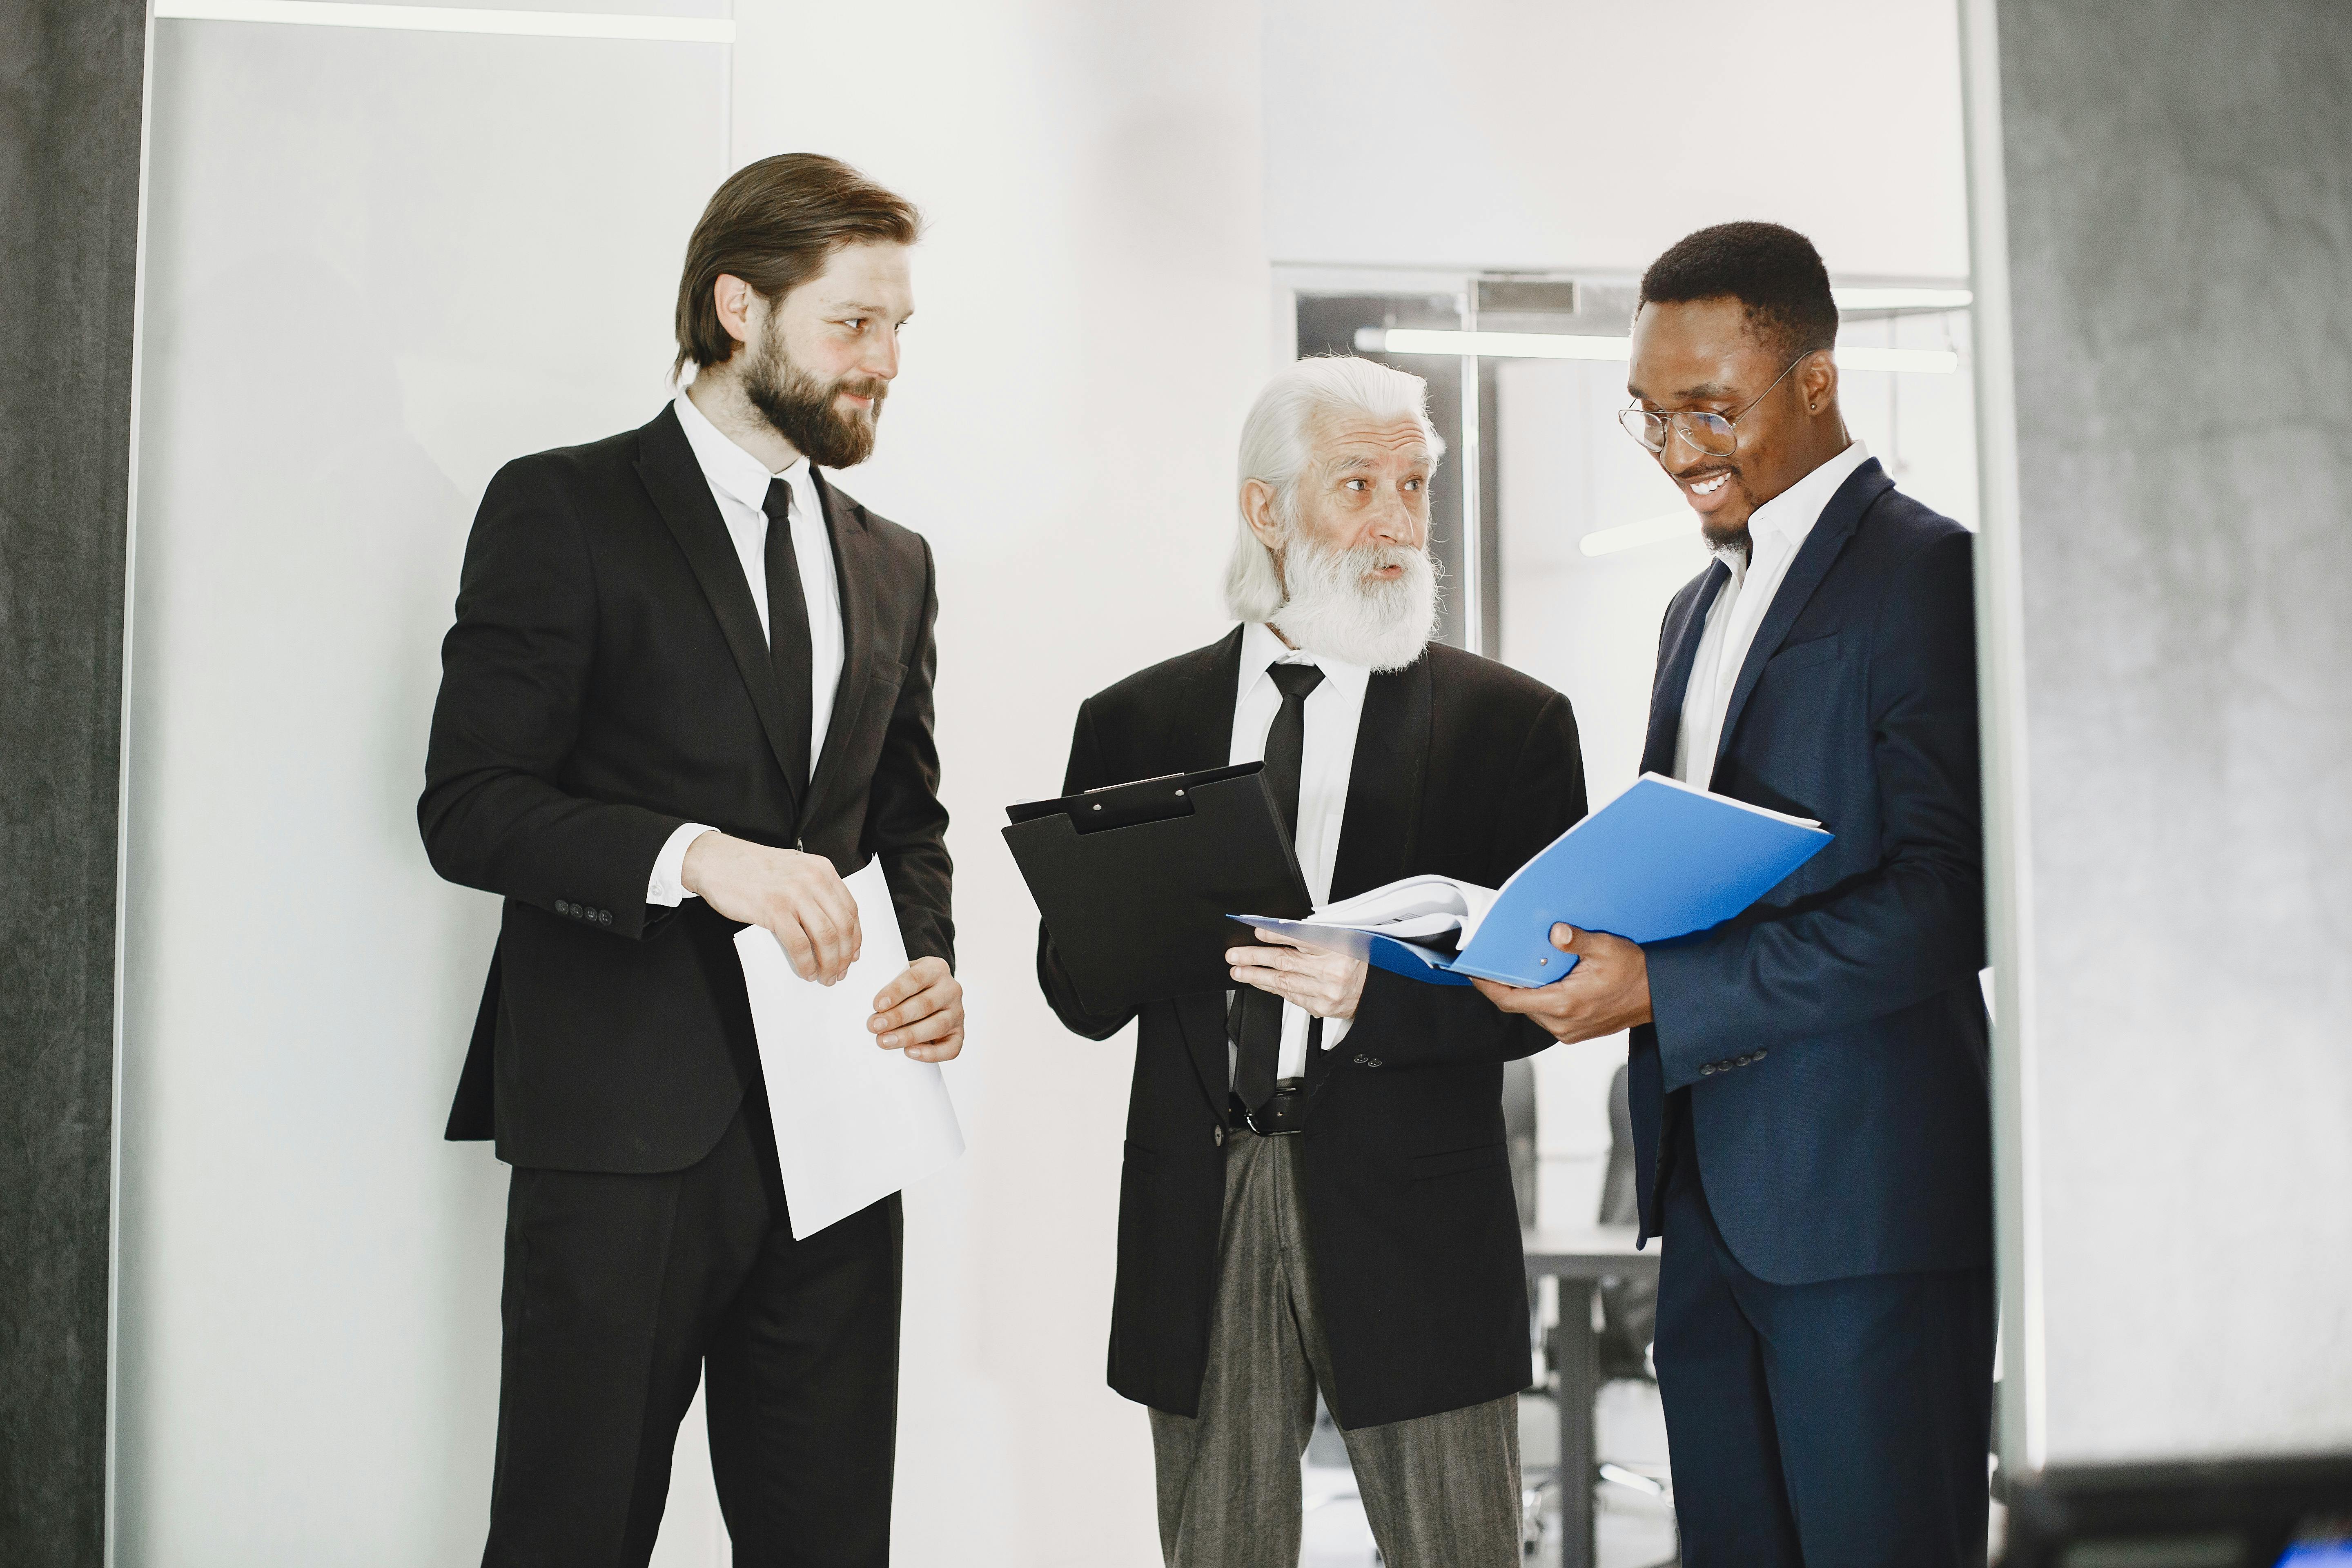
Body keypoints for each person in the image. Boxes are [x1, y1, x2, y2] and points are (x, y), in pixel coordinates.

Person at [418, 153, 960, 1567]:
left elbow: (906, 825)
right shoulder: (563, 508)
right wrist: (694, 855)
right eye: (854, 324)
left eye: (900, 327)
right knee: (572, 1535)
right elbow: (469, 804)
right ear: (738, 308)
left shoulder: (893, 559)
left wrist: (934, 966)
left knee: (830, 1543)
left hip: (842, 1136)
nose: (887, 361)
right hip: (618, 1135)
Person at [1472, 222, 1992, 1566]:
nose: (1682, 449)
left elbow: (1952, 898)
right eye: (1651, 416)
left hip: (1867, 1216)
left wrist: (1668, 988)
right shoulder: (1693, 612)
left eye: (1713, 407)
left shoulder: (1929, 574)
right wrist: (1571, 944)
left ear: (1816, 380)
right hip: (1704, 1202)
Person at [1036, 356, 1588, 1568]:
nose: (1397, 523)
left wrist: (1377, 995)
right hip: (1200, 1204)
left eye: (1414, 485)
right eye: (1358, 486)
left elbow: (1549, 999)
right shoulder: (1131, 723)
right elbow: (1076, 993)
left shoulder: (1513, 726)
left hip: (1418, 1219)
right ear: (1268, 510)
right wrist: (1144, 919)